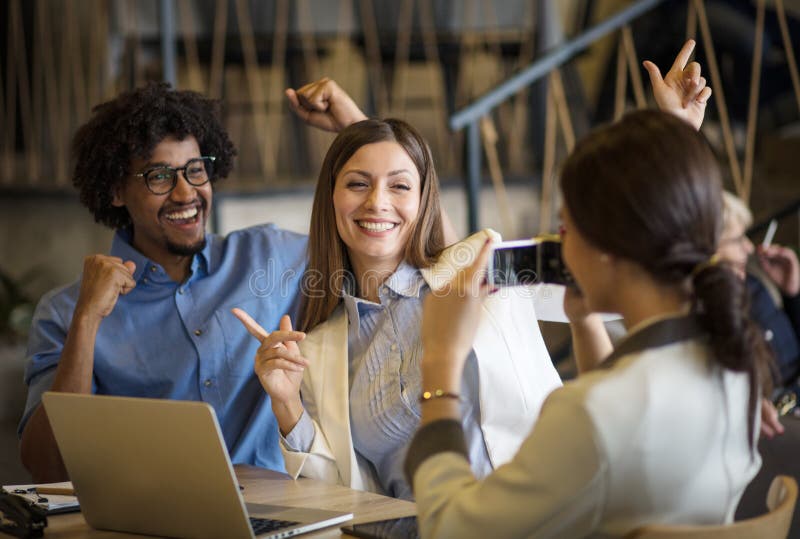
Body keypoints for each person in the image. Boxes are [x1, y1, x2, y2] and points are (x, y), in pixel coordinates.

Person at [234, 41, 715, 500]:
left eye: (400, 186)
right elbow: (345, 491)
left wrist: (671, 137)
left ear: (423, 201)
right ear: (332, 198)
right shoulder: (319, 350)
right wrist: (287, 403)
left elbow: (609, 259)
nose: (377, 201)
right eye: (357, 184)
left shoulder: (485, 266)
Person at [404, 110, 773, 537]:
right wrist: (584, 322)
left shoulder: (588, 414)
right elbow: (620, 442)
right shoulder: (733, 356)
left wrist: (441, 361)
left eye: (566, 229)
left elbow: (450, 528)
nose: (559, 245)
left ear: (606, 249)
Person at [19, 81, 367, 482]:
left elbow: (394, 231)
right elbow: (47, 467)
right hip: (155, 511)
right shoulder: (67, 311)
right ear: (116, 190)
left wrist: (356, 130)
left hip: (282, 508)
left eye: (195, 170)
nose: (186, 193)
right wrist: (86, 321)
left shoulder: (269, 258)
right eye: (160, 176)